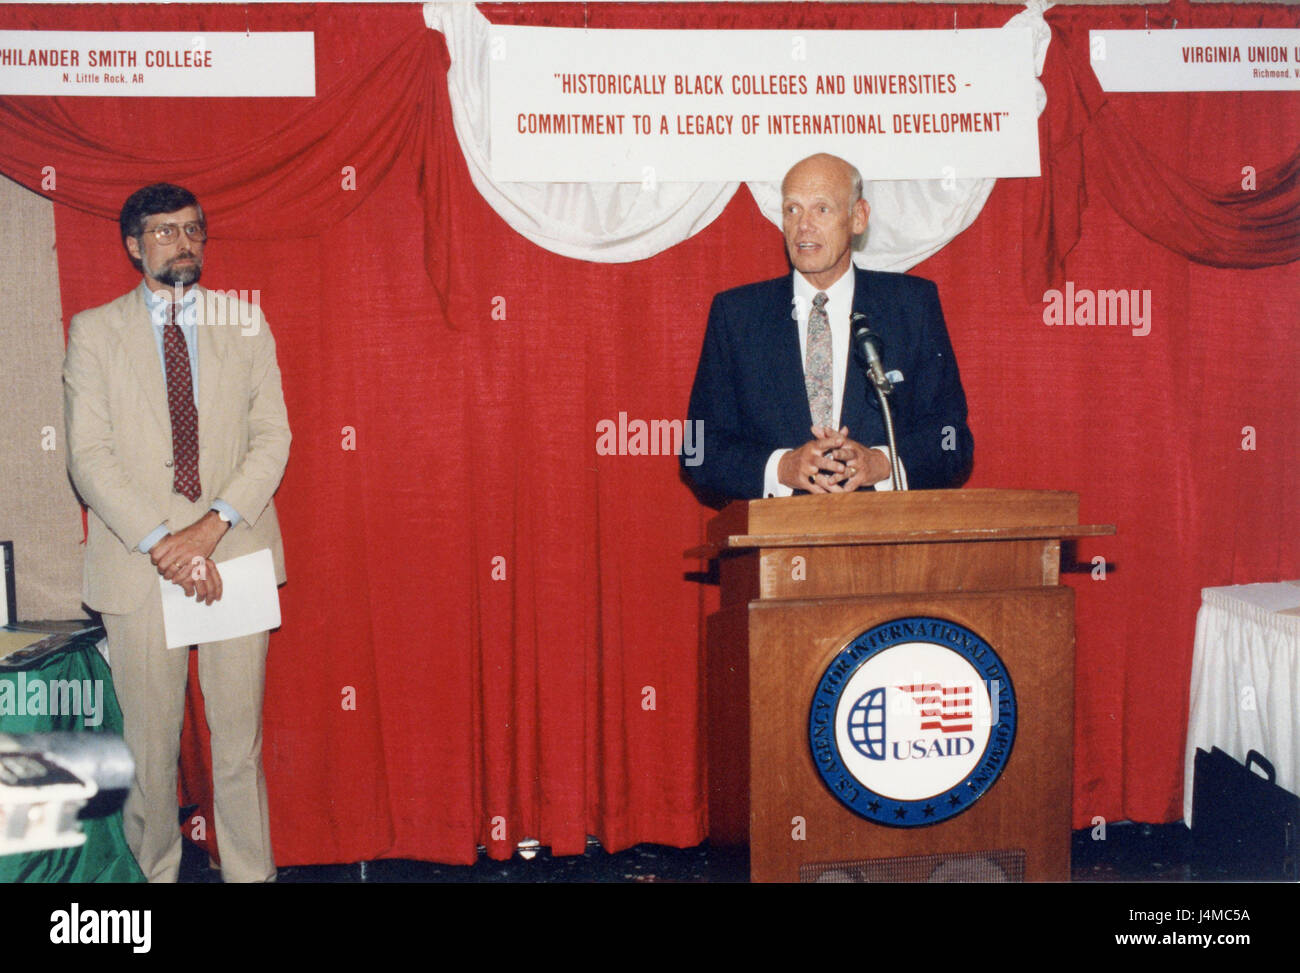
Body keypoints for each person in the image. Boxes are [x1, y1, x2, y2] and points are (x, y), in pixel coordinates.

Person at [63, 183, 291, 882]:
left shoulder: (245, 322)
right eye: (165, 231)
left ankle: (250, 873)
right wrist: (164, 541)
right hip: (139, 565)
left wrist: (208, 530)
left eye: (193, 229)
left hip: (234, 552)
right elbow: (88, 456)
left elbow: (273, 438)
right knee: (148, 749)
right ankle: (151, 879)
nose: (183, 242)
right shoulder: (94, 331)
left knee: (239, 747)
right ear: (134, 245)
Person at [684, 153, 973, 502]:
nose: (803, 225)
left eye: (822, 209)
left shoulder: (911, 307)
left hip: (884, 527)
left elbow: (952, 439)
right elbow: (697, 449)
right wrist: (781, 467)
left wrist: (883, 464)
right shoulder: (736, 315)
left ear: (858, 217)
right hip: (776, 529)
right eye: (792, 209)